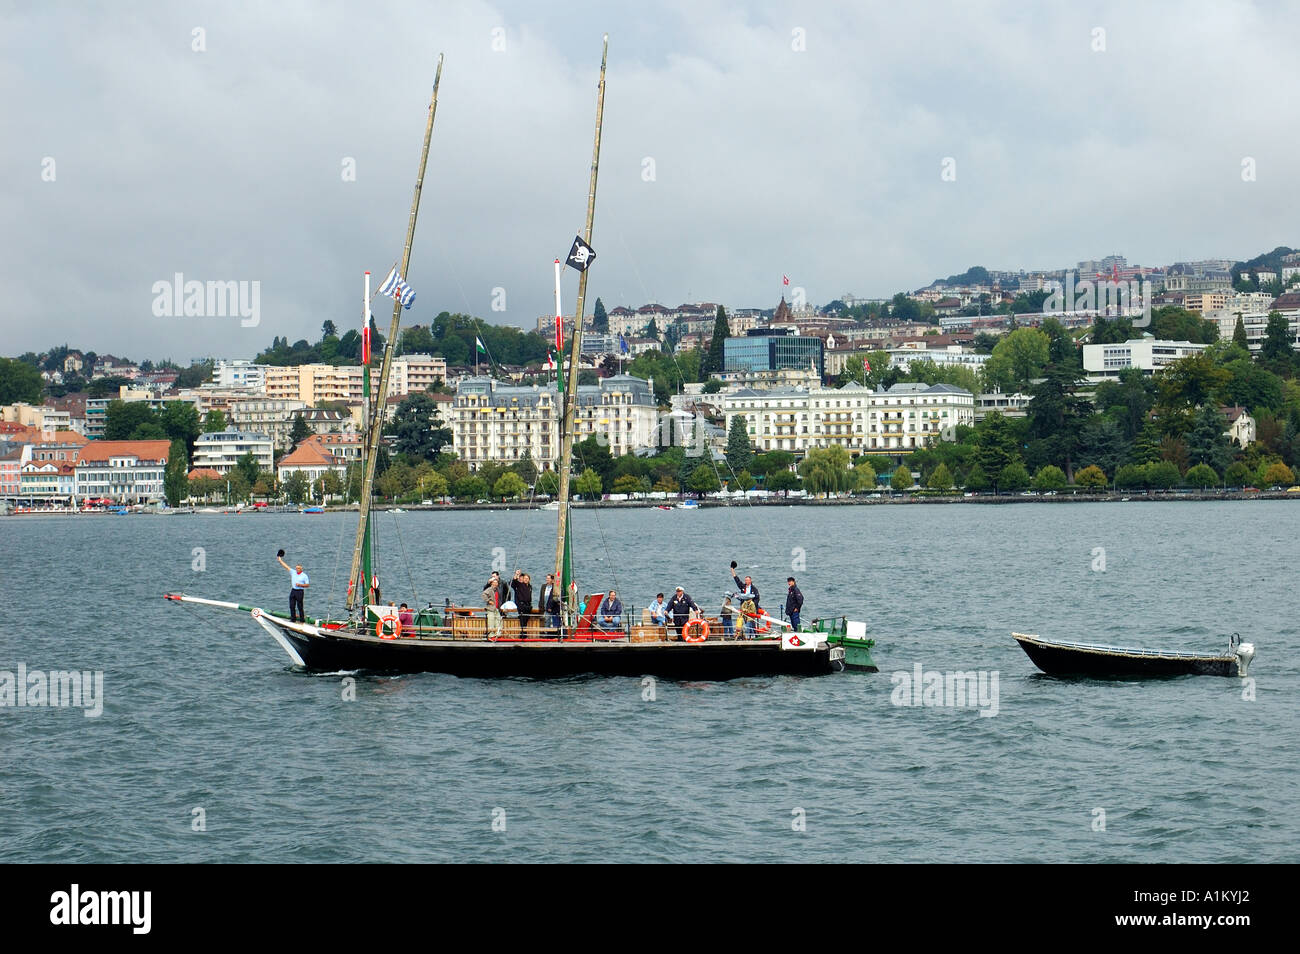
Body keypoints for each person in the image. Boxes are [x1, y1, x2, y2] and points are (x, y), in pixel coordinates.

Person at [729, 561, 760, 637]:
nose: (746, 581)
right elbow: (737, 580)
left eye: (747, 580)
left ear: (750, 580)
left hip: (751, 608)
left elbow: (757, 598)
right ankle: (744, 635)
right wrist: (732, 569)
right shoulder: (743, 587)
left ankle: (752, 636)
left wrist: (752, 605)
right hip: (743, 607)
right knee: (742, 621)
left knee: (751, 623)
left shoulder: (754, 589)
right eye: (745, 580)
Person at [277, 550, 309, 622]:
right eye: (296, 568)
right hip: (293, 591)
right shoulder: (293, 572)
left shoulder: (304, 576)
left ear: (301, 569)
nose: (297, 569)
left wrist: (300, 585)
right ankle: (293, 619)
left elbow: (307, 585)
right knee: (291, 606)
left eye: (298, 568)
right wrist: (280, 560)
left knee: (300, 606)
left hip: (300, 591)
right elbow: (286, 566)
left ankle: (302, 620)